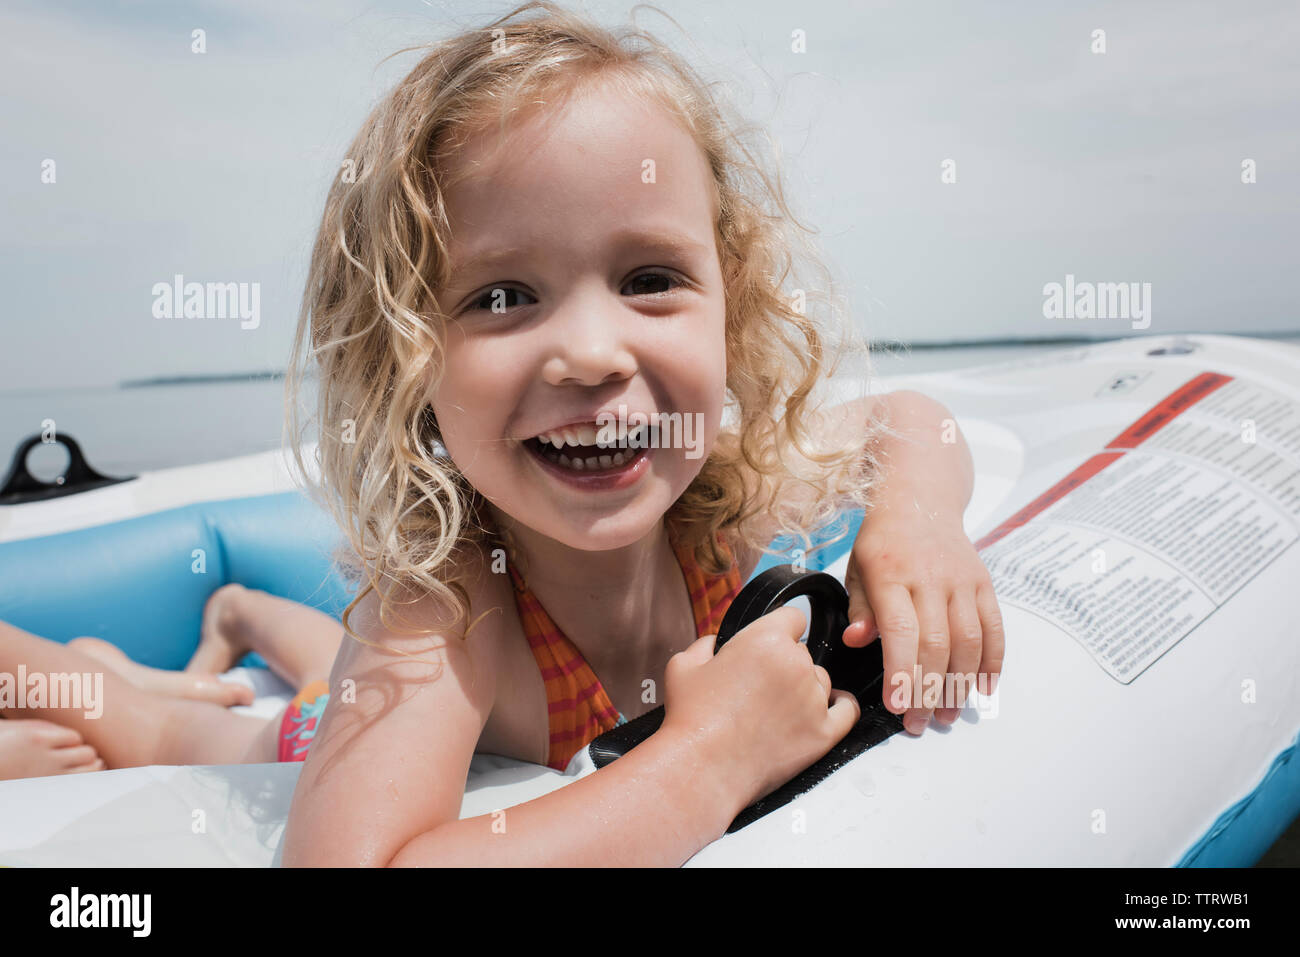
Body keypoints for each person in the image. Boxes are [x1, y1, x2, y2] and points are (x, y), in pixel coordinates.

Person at [279, 1, 1005, 867]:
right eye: (503, 296)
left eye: (650, 278)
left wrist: (917, 521)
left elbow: (912, 421)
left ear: (731, 302)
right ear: (407, 355)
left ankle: (251, 622)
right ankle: (163, 665)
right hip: (318, 729)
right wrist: (706, 760)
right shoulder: (451, 605)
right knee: (231, 728)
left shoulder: (721, 504)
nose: (590, 355)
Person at [0, 584, 343, 780]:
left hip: (313, 754)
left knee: (160, 732)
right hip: (319, 747)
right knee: (159, 731)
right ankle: (236, 612)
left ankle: (123, 678)